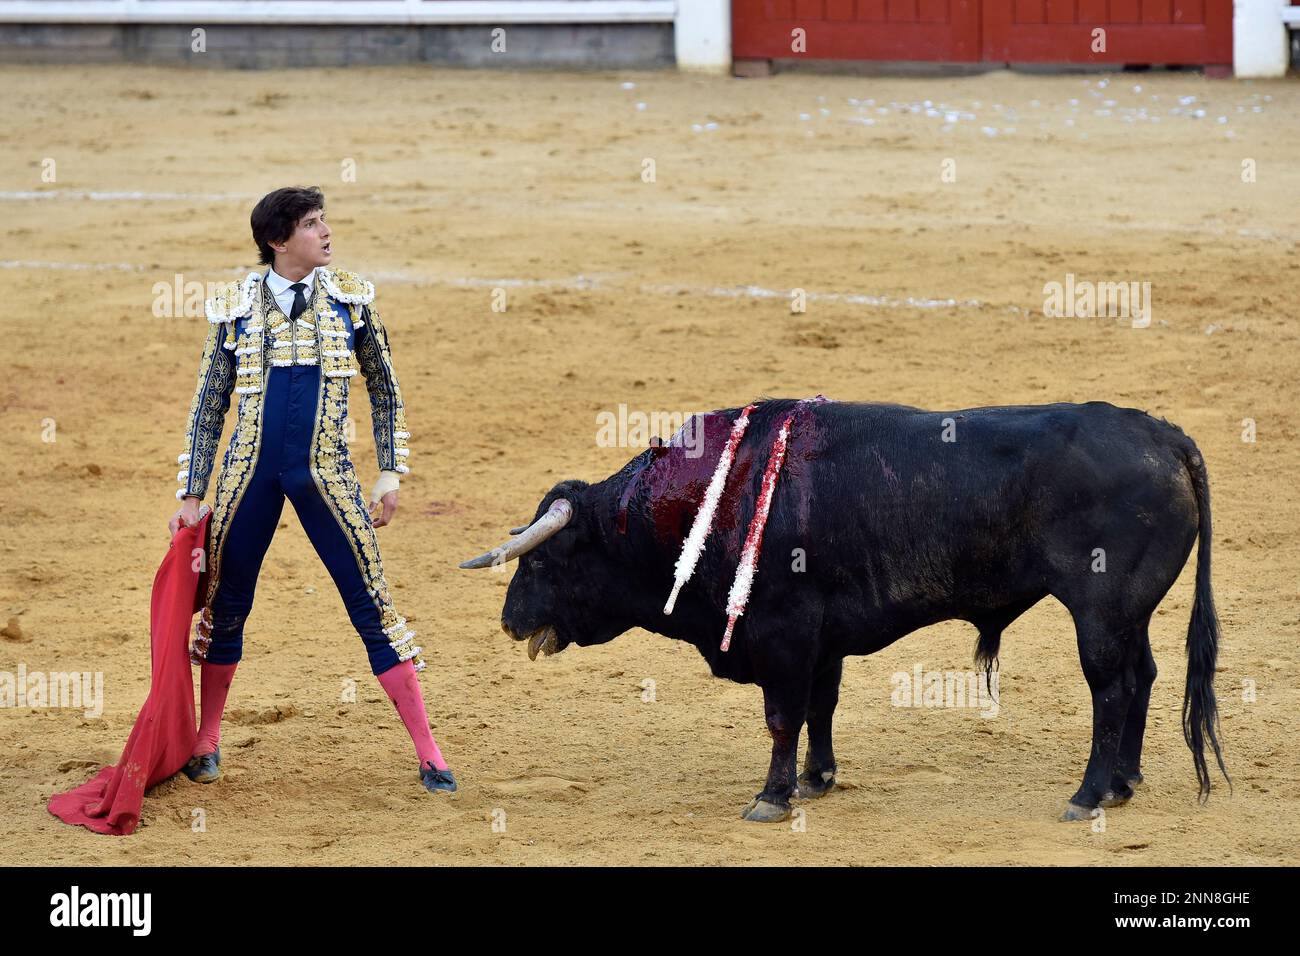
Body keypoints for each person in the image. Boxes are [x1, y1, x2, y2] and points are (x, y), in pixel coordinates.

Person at [168, 185, 455, 794]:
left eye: (324, 220)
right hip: (247, 474)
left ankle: (429, 752)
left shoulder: (351, 299)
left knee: (372, 602)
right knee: (226, 606)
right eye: (311, 223)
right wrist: (192, 491)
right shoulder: (235, 306)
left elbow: (385, 386)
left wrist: (390, 471)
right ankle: (207, 741)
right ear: (278, 240)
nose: (326, 231)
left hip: (326, 474)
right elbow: (207, 405)